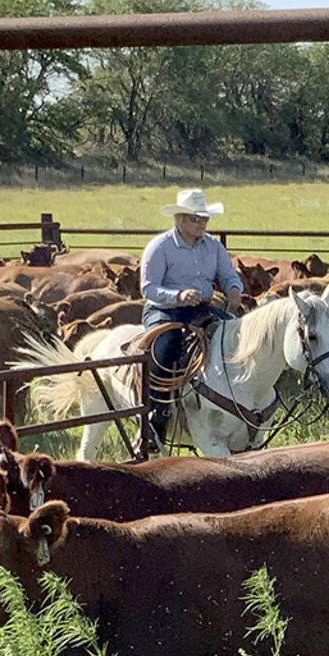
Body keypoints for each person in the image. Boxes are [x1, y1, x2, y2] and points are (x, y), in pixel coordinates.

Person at [139, 188, 245, 456]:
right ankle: (156, 415)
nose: (202, 224)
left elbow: (229, 275)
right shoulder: (160, 247)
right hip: (165, 311)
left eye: (204, 219)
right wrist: (178, 295)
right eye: (196, 219)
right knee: (165, 348)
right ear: (180, 219)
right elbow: (148, 289)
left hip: (202, 308)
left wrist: (234, 288)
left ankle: (237, 401)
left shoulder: (214, 246)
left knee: (237, 335)